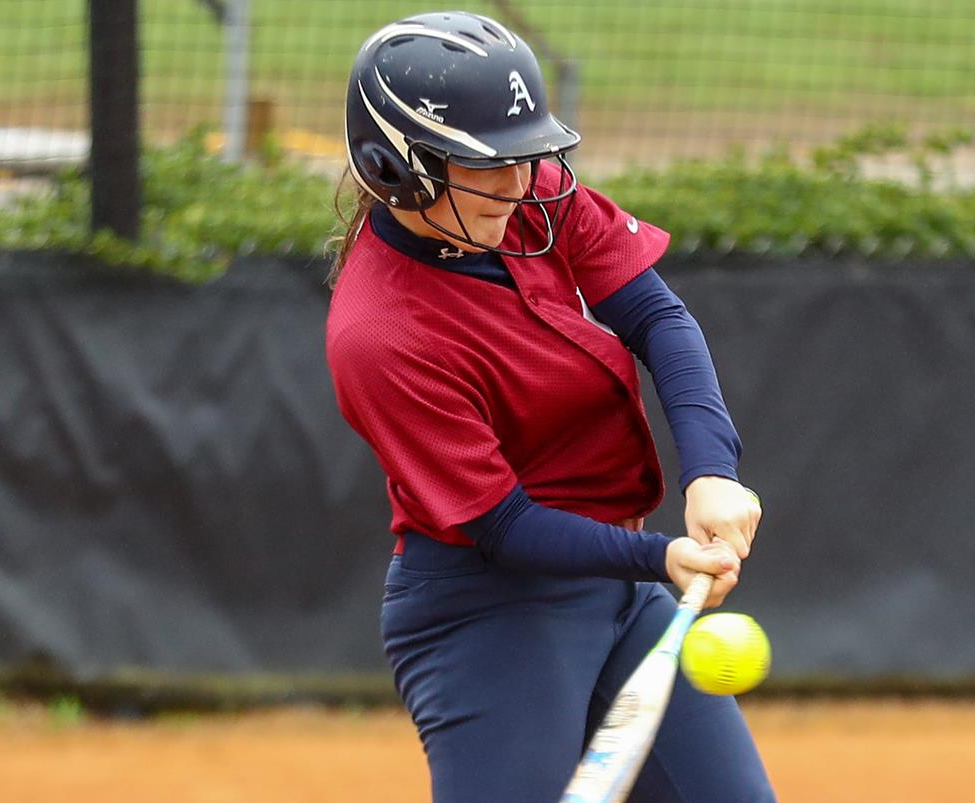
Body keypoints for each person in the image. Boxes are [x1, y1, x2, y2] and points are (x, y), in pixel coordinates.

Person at [324, 11, 775, 801]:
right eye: (486, 162)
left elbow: (657, 317)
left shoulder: (525, 192)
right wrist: (660, 558)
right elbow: (504, 524)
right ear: (397, 167)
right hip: (489, 613)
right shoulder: (380, 335)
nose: (520, 181)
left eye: (524, 154)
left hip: (617, 580)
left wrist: (711, 470)